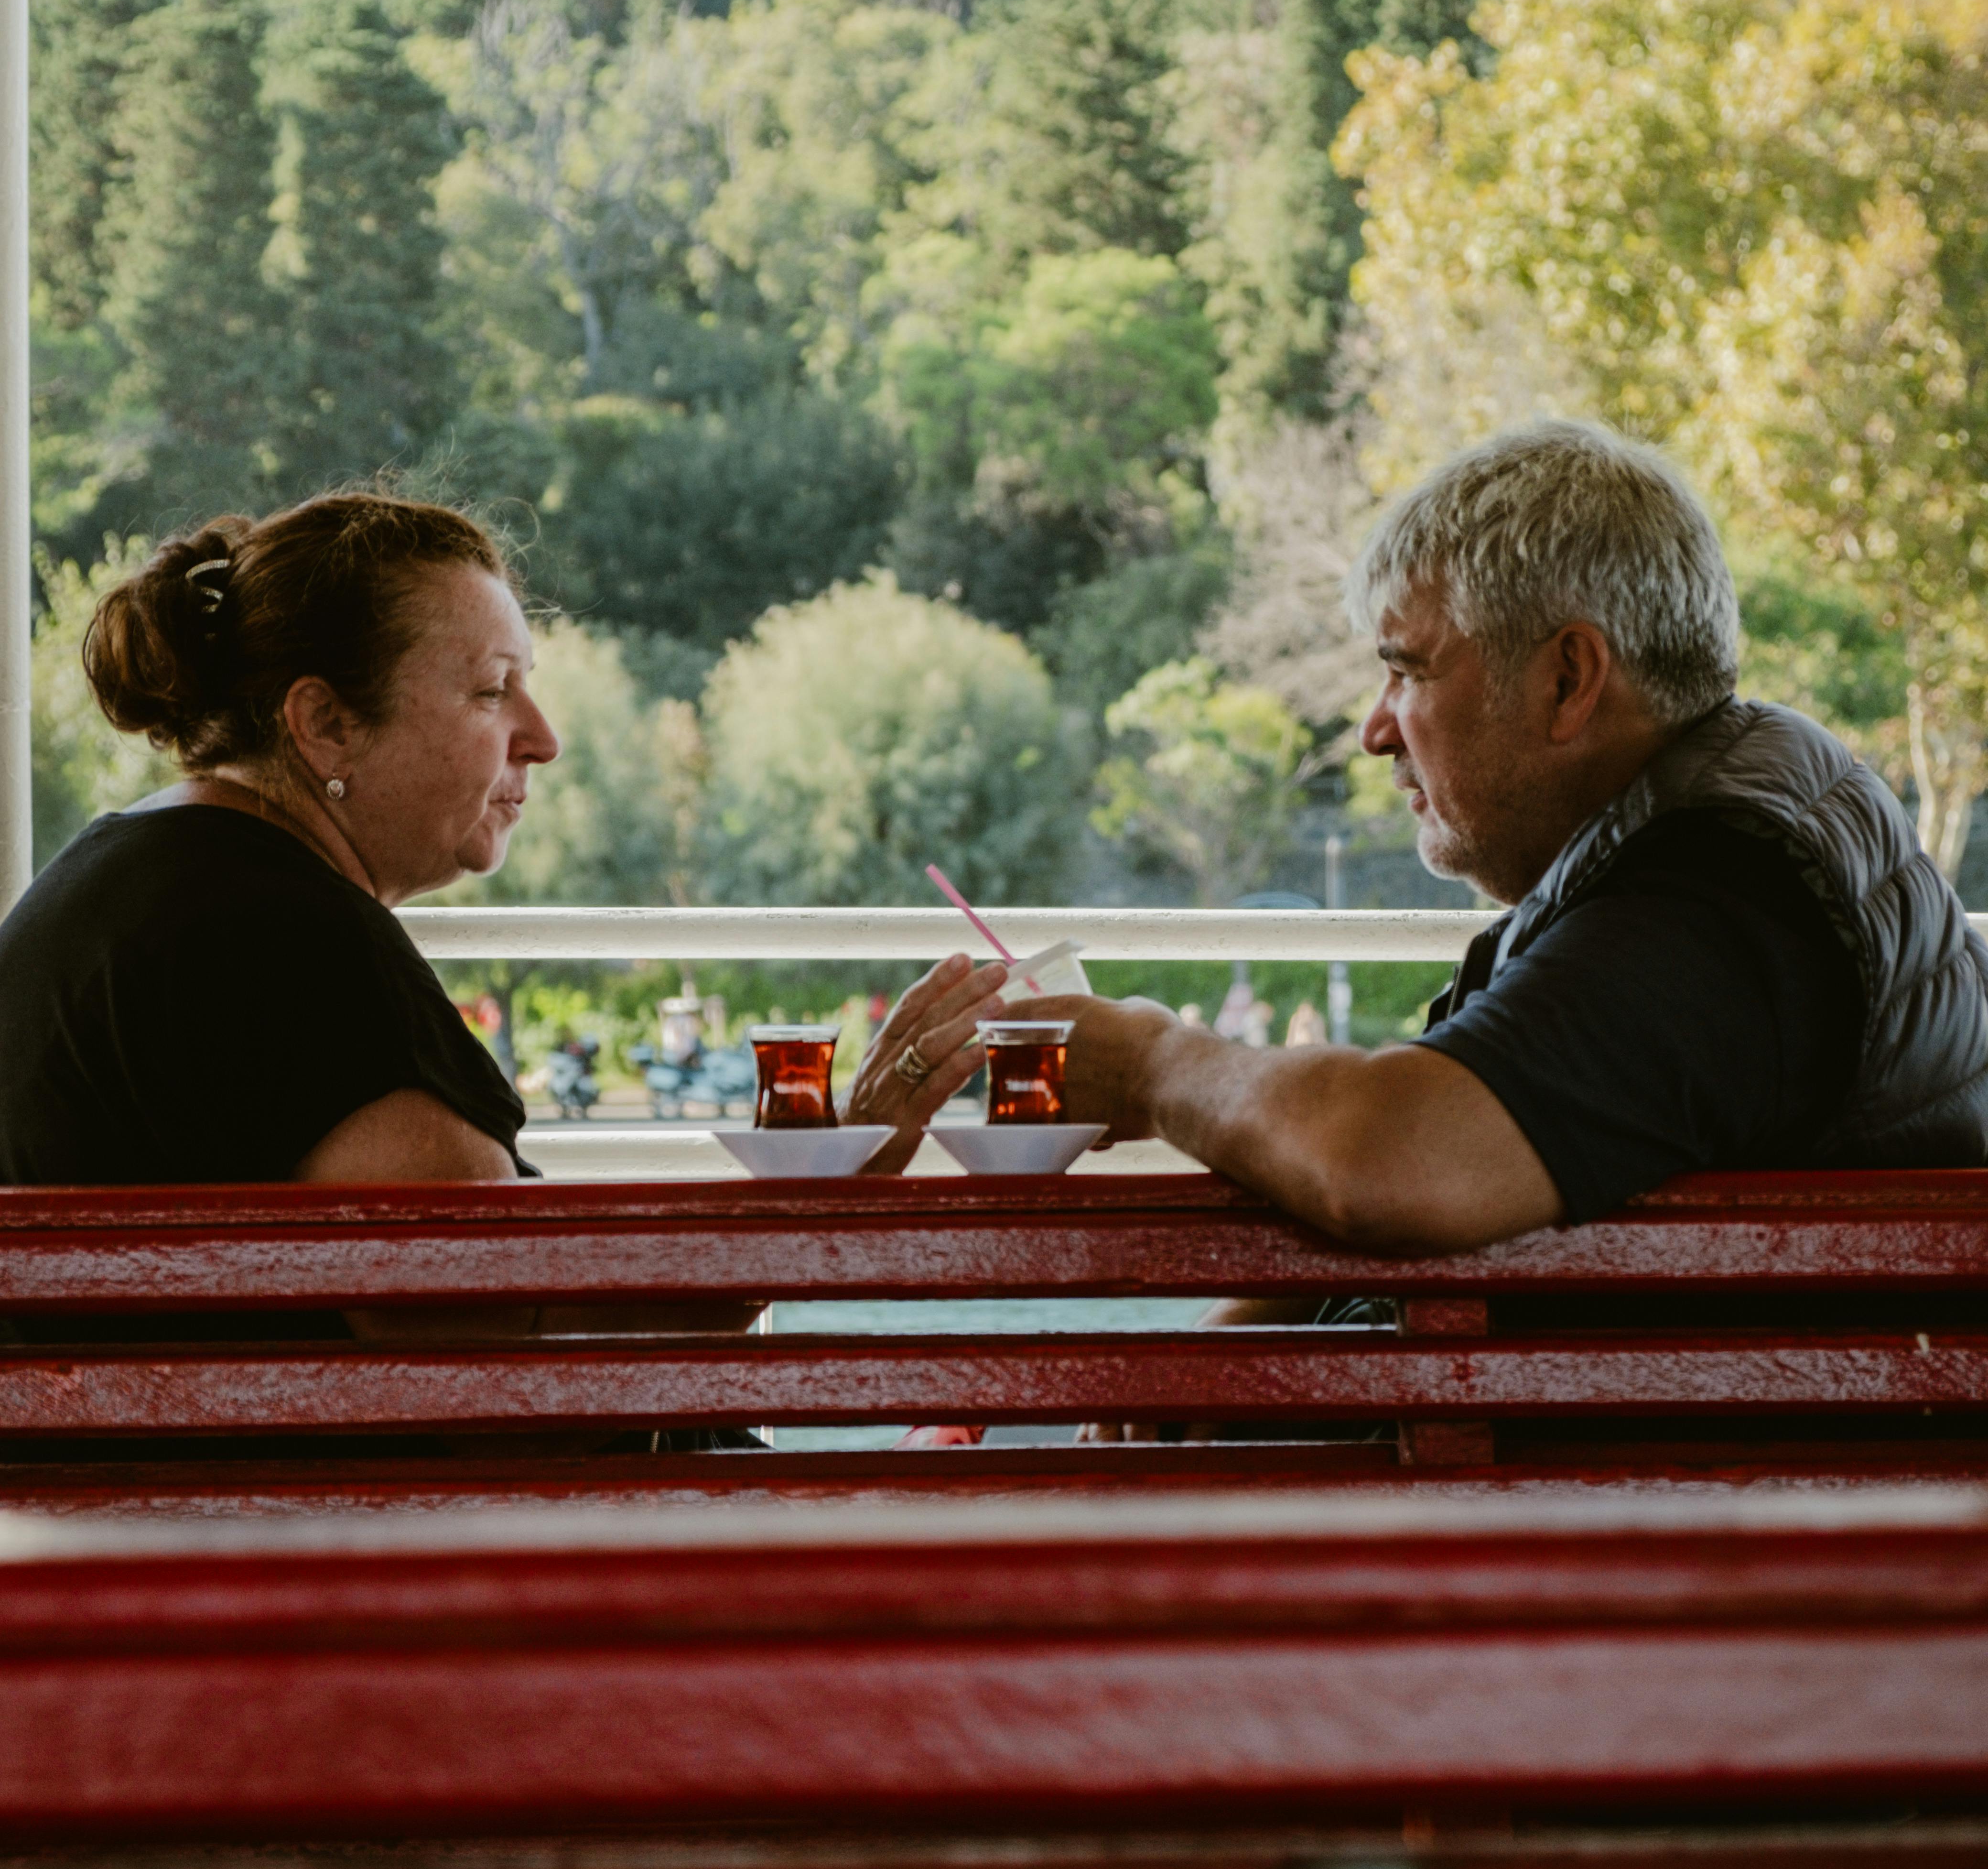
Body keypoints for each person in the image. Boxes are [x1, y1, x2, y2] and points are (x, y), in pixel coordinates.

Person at [1012, 422, 1988, 1251]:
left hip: (1681, 1476)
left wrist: (1148, 1062)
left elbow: (1393, 1157)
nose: (1374, 730)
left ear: (1568, 679)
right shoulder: (1724, 836)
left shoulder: (1720, 902)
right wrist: (1261, 1331)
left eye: (1409, 672)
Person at [0, 491, 999, 1188]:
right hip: (390, 1500)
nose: (544, 738)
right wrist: (854, 1150)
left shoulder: (113, 887)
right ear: (325, 725)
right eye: (490, 690)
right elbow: (516, 1335)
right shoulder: (288, 944)